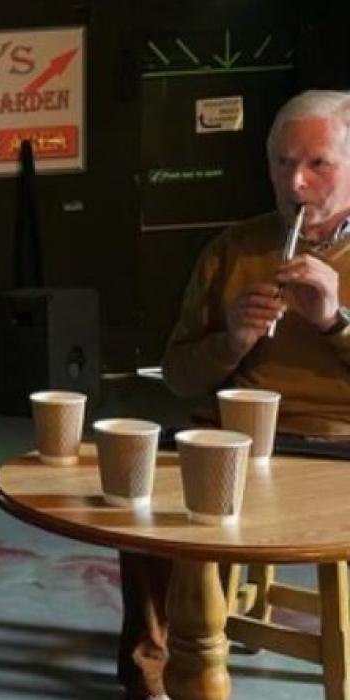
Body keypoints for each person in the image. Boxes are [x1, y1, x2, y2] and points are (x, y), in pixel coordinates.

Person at [121, 89, 350, 700]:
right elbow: (177, 375)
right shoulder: (234, 249)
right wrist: (233, 339)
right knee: (146, 495)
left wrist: (335, 321)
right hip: (239, 437)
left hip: (338, 443)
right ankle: (151, 674)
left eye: (318, 164)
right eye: (282, 162)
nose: (294, 182)